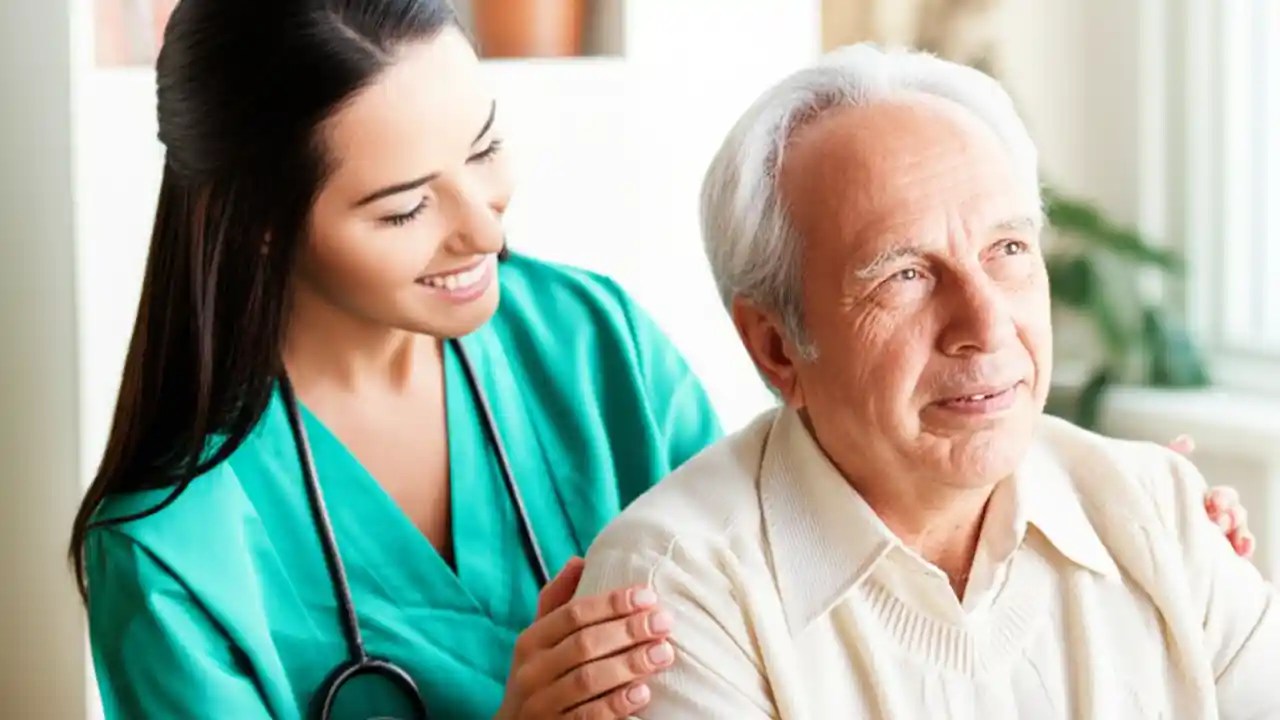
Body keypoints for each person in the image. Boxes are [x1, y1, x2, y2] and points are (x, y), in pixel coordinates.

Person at [67, 3, 1252, 718]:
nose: (484, 230)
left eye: (482, 151)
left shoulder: (584, 340)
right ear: (261, 225)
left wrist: (1089, 514)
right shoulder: (175, 553)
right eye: (404, 206)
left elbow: (798, 523)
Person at [575, 44, 1279, 718]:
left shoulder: (1156, 510)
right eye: (904, 275)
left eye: (1008, 248)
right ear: (776, 347)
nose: (987, 325)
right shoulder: (675, 594)